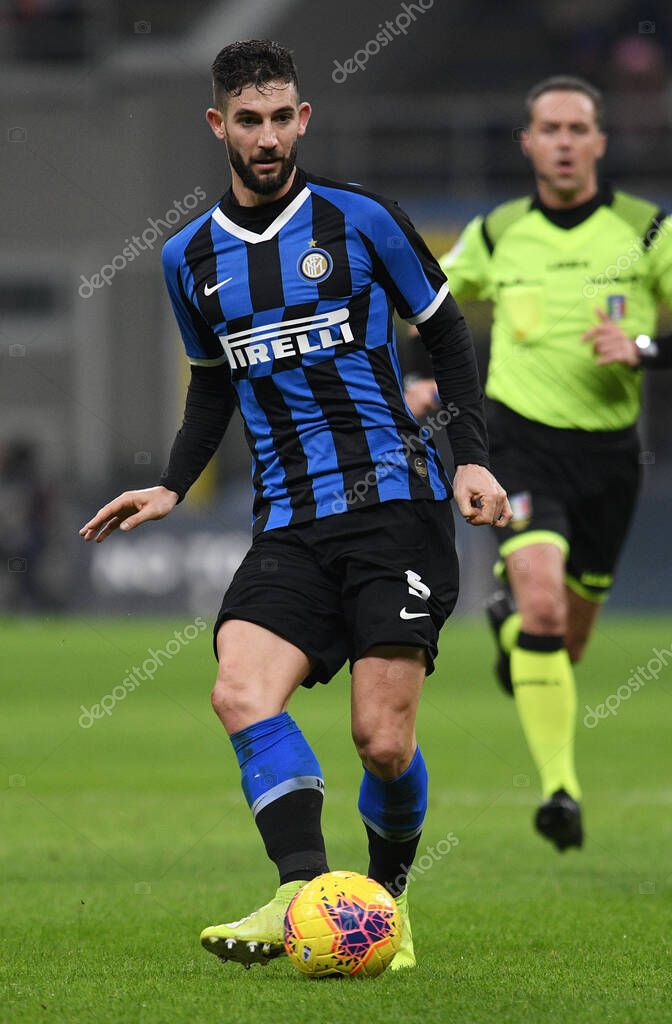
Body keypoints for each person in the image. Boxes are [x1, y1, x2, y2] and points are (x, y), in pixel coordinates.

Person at [80, 39, 510, 969]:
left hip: (396, 504)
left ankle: (383, 910)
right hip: (286, 519)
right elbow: (212, 385)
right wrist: (170, 480)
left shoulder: (364, 221)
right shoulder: (188, 258)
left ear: (302, 118)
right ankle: (295, 894)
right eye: (249, 120)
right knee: (238, 688)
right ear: (218, 126)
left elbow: (450, 343)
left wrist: (471, 462)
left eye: (282, 117)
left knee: (381, 743)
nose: (268, 136)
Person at [436, 75, 672, 852]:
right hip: (519, 444)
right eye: (551, 128)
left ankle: (515, 629)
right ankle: (561, 793)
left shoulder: (649, 232)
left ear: (601, 142)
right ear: (528, 142)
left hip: (610, 459)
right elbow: (428, 305)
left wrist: (643, 348)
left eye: (580, 128)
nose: (566, 141)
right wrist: (417, 373)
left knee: (563, 645)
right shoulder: (499, 232)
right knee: (544, 609)